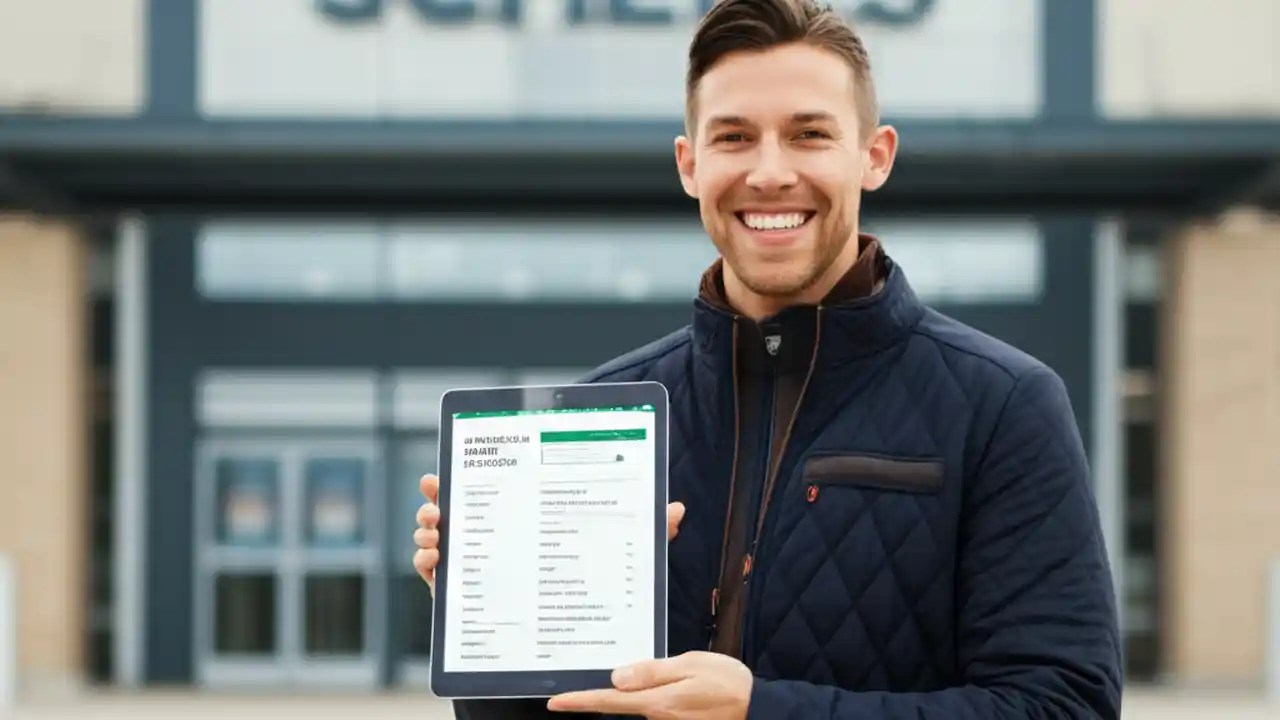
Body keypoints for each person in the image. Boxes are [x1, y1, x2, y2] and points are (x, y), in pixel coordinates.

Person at [414, 0, 1123, 717]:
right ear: (690, 165)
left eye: (809, 134)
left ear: (873, 156)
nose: (770, 172)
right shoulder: (609, 412)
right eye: (734, 138)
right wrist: (490, 628)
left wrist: (763, 710)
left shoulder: (1002, 406)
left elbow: (1064, 705)